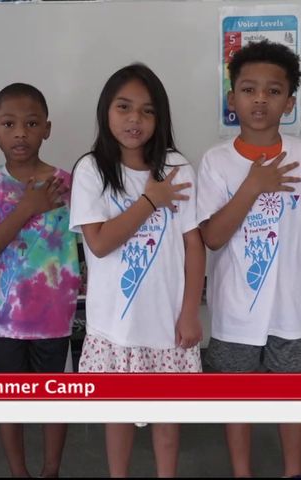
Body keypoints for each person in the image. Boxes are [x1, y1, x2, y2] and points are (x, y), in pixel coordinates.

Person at [197, 40, 301, 477]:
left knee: (290, 394)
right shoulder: (216, 162)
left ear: (290, 102)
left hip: (290, 305)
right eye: (249, 89)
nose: (260, 99)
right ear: (232, 99)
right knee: (236, 397)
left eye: (273, 91)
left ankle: (292, 470)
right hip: (235, 308)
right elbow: (213, 237)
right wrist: (253, 187)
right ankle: (242, 471)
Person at [69, 63, 205, 477]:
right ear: (105, 112)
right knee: (119, 418)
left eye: (147, 111)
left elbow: (193, 244)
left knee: (167, 421)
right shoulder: (91, 170)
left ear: (159, 118)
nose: (135, 119)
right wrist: (150, 201)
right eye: (124, 107)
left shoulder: (177, 166)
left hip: (166, 324)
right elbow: (100, 241)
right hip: (115, 326)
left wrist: (189, 312)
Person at [0, 83, 79, 478]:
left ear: (47, 128)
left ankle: (51, 469)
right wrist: (26, 208)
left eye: (31, 123)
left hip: (54, 318)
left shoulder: (67, 184)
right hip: (1, 321)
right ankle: (19, 472)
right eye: (9, 124)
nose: (20, 132)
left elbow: (88, 243)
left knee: (53, 400)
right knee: (8, 400)